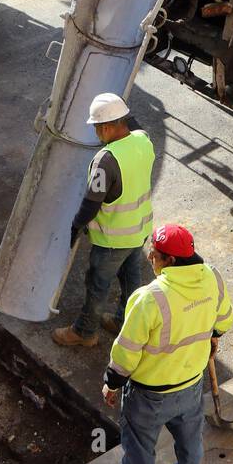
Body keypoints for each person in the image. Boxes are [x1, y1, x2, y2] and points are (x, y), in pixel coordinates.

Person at [101, 223, 233, 464]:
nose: (150, 257)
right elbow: (225, 320)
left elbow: (126, 354)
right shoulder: (212, 277)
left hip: (149, 397)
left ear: (170, 261)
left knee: (138, 455)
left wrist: (112, 383)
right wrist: (212, 336)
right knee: (191, 445)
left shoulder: (149, 299)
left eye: (156, 255)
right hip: (190, 388)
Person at [52, 92, 154, 349]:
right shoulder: (144, 141)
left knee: (98, 284)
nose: (97, 134)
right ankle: (125, 322)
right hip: (139, 230)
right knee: (132, 278)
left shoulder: (105, 161)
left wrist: (76, 225)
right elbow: (134, 123)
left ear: (108, 127)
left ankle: (85, 332)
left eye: (98, 128)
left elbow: (91, 203)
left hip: (113, 239)